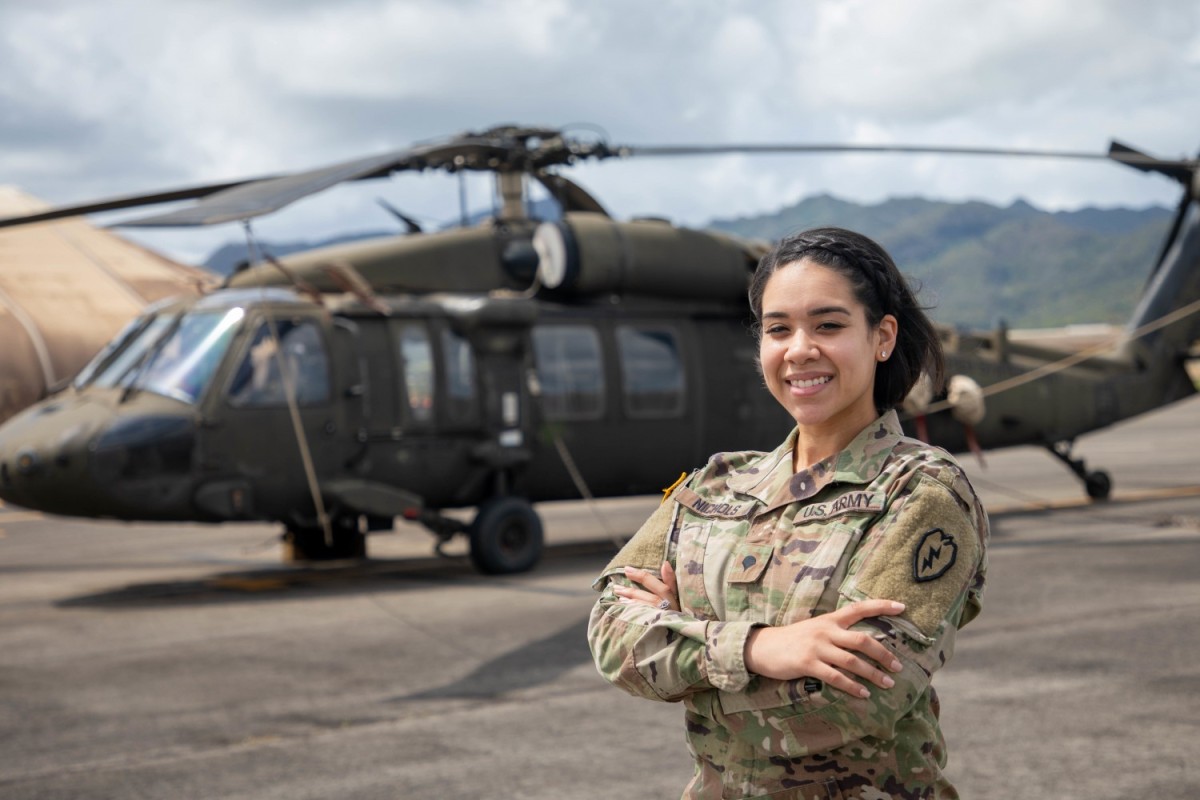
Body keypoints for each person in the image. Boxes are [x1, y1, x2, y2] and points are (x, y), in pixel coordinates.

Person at [587, 227, 989, 800]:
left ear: (882, 336)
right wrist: (759, 649)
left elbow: (859, 698)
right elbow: (610, 633)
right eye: (778, 329)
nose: (800, 349)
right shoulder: (715, 486)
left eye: (828, 325)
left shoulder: (920, 493)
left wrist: (682, 656)